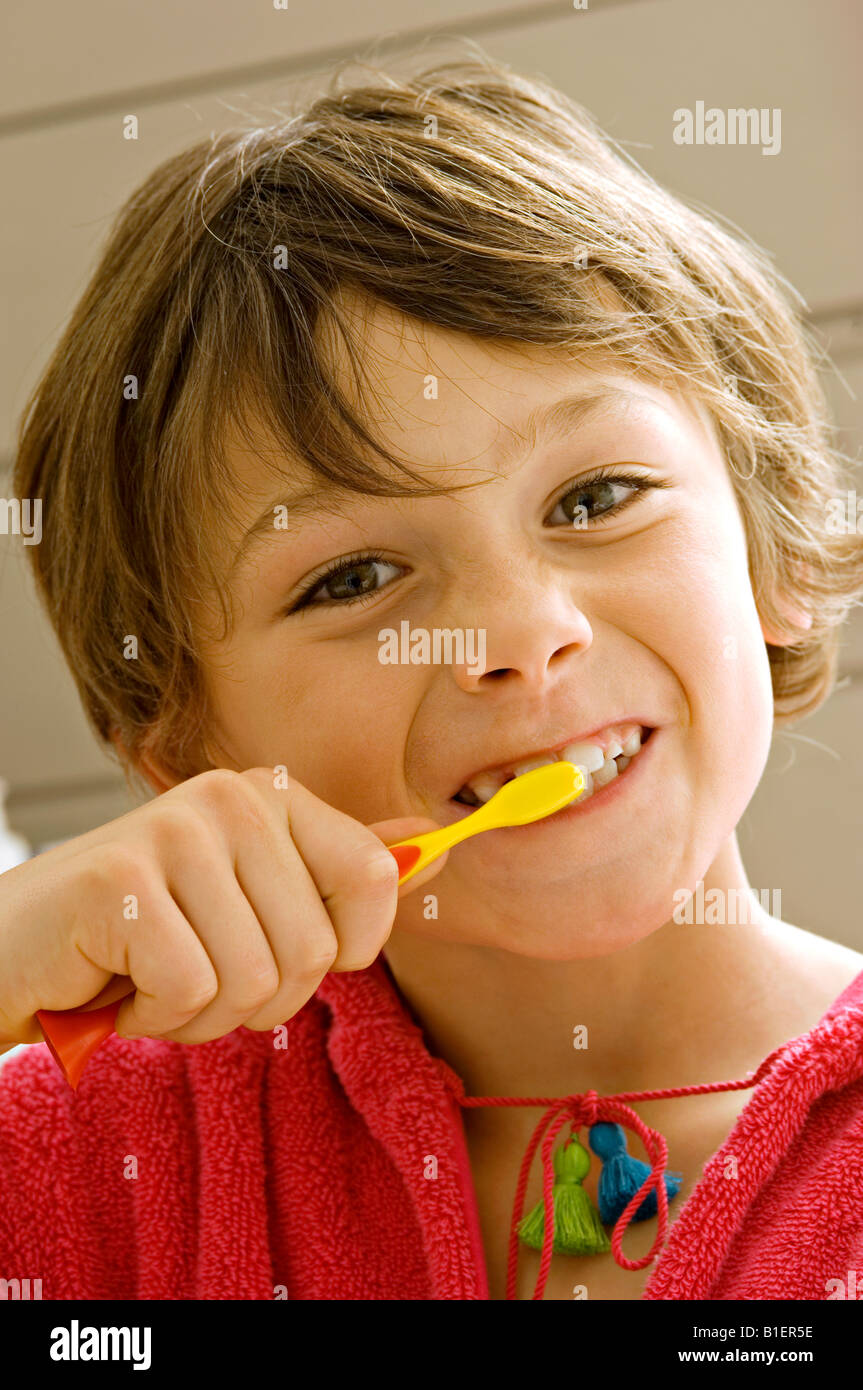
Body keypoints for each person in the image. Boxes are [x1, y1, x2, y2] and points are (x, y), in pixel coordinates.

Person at [2, 54, 862, 1302]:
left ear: (772, 539)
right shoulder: (83, 1161)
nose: (521, 633)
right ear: (188, 753)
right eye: (352, 578)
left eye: (594, 497)